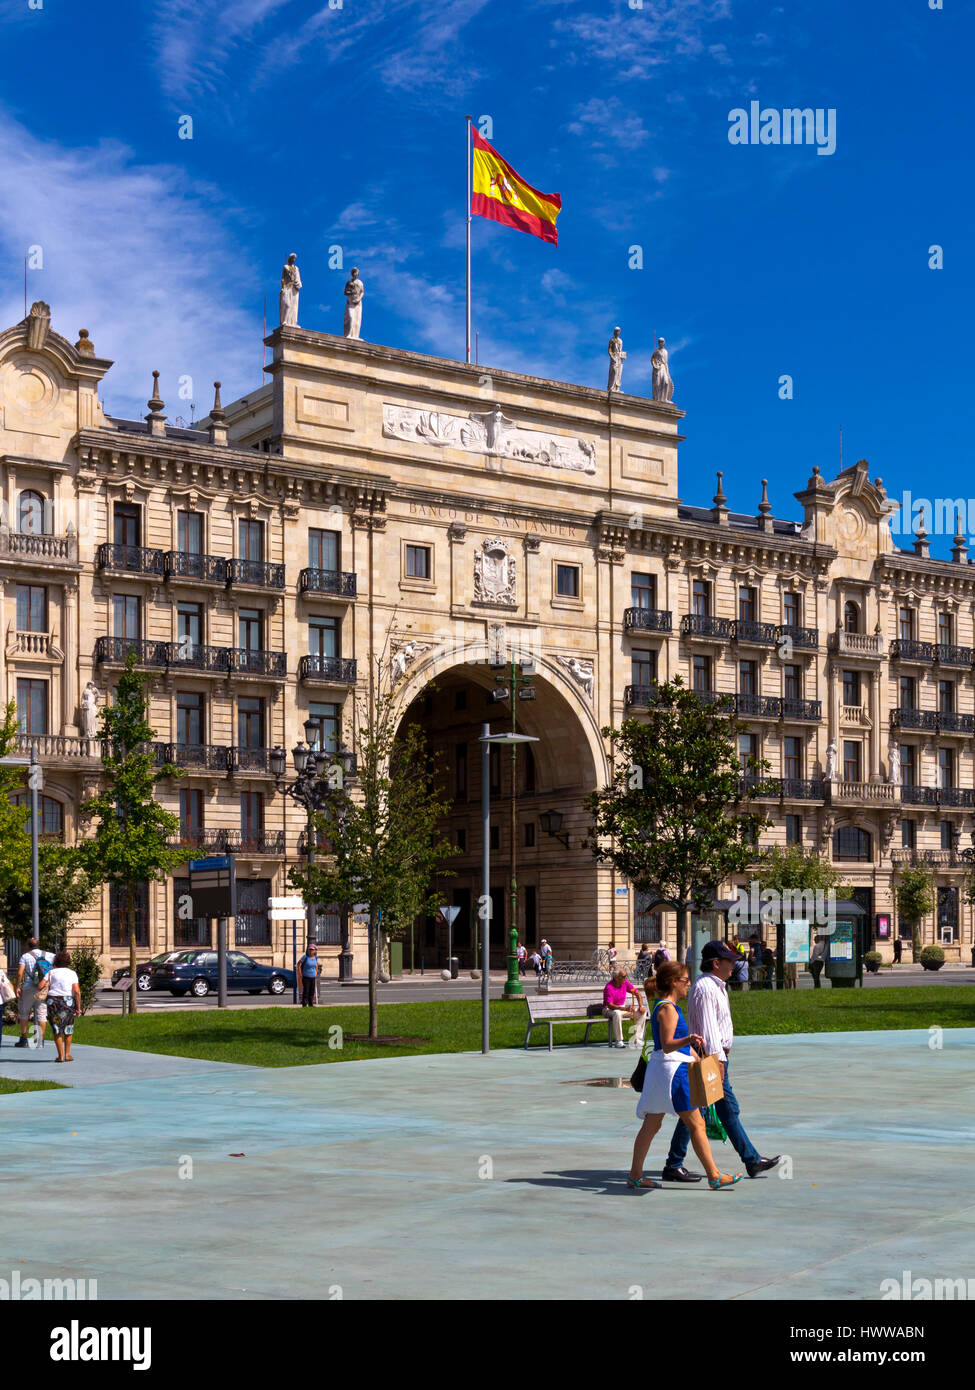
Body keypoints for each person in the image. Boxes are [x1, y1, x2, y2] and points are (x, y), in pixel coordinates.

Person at [661, 940, 780, 1182]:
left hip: (714, 1056)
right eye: (730, 961)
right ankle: (750, 1160)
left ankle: (677, 1163)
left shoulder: (717, 985)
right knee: (706, 1110)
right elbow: (708, 1028)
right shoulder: (705, 987)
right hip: (709, 1057)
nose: (734, 965)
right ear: (716, 964)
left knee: (705, 1110)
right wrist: (717, 1061)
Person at [628, 961, 742, 1191]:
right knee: (697, 1124)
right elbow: (669, 1044)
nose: (688, 985)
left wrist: (697, 1056)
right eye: (685, 980)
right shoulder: (668, 1009)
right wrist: (689, 1039)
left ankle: (635, 1175)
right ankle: (714, 1175)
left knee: (651, 1125)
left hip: (661, 1072)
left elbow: (669, 1045)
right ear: (673, 982)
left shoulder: (664, 1006)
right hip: (673, 1072)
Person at [14, 937, 54, 1048]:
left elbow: (19, 973)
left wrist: (17, 987)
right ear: (38, 945)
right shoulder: (50, 955)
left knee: (24, 1013)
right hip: (43, 989)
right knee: (42, 1014)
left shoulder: (25, 956)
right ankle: (40, 1041)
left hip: (28, 988)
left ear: (28, 945)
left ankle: (24, 1039)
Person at [46, 950, 81, 1063]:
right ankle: (67, 1054)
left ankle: (60, 1056)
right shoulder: (72, 973)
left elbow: (41, 985)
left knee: (56, 1028)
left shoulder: (51, 973)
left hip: (53, 1002)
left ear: (56, 961)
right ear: (68, 962)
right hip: (67, 1002)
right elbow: (76, 991)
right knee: (68, 1027)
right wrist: (78, 1007)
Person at [602, 968, 647, 1050]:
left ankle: (638, 1038)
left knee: (642, 1013)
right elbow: (610, 1005)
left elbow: (637, 993)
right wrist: (624, 1008)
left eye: (626, 976)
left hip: (622, 1008)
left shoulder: (625, 983)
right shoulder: (609, 987)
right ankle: (619, 1041)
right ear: (616, 978)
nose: (625, 978)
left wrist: (641, 1006)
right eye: (623, 976)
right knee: (617, 1013)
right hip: (609, 1010)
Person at [297, 942, 320, 1006]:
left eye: (312, 950)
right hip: (306, 977)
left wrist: (315, 972)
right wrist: (299, 973)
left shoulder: (315, 957)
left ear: (315, 950)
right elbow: (299, 964)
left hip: (313, 977)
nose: (310, 951)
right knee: (306, 991)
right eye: (310, 949)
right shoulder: (305, 957)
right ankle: (304, 1004)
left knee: (312, 991)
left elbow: (316, 965)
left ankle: (311, 1004)